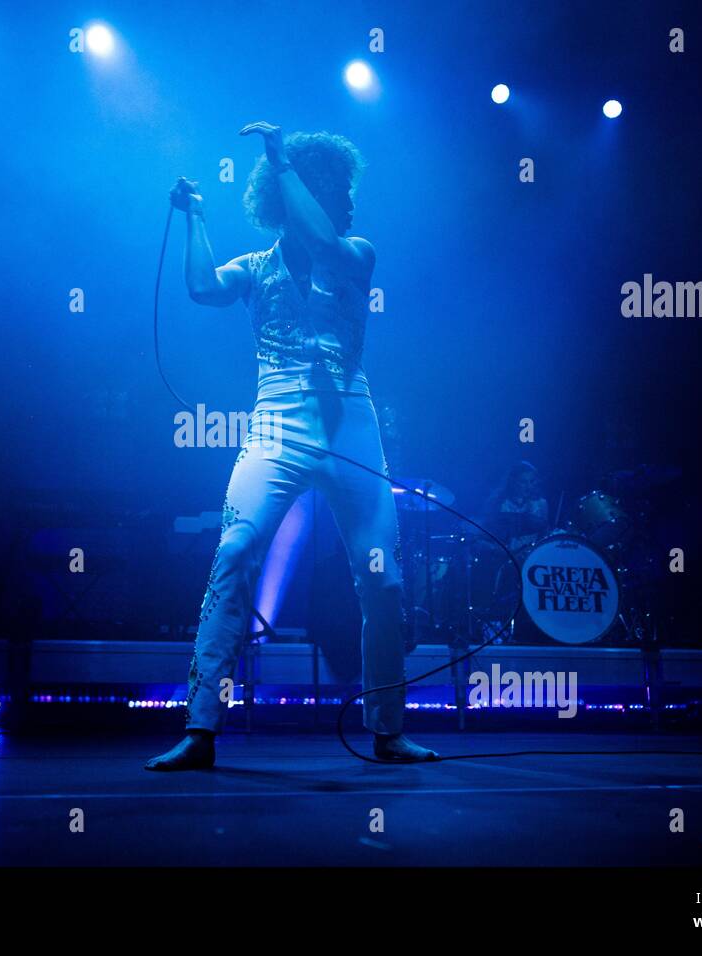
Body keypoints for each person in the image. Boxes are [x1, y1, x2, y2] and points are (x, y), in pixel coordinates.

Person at [145, 122, 440, 770]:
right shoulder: (256, 267)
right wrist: (196, 215)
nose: (352, 202)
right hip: (276, 425)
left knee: (383, 582)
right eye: (339, 189)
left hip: (351, 425)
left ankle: (388, 730)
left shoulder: (355, 252)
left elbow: (327, 245)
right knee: (235, 549)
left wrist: (281, 161)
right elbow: (200, 287)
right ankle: (200, 730)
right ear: (306, 191)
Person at [483, 461, 550, 553]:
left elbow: (543, 533)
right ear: (512, 482)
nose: (528, 486)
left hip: (531, 556)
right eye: (523, 482)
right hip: (503, 555)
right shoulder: (498, 503)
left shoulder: (541, 504)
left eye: (532, 481)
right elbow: (488, 532)